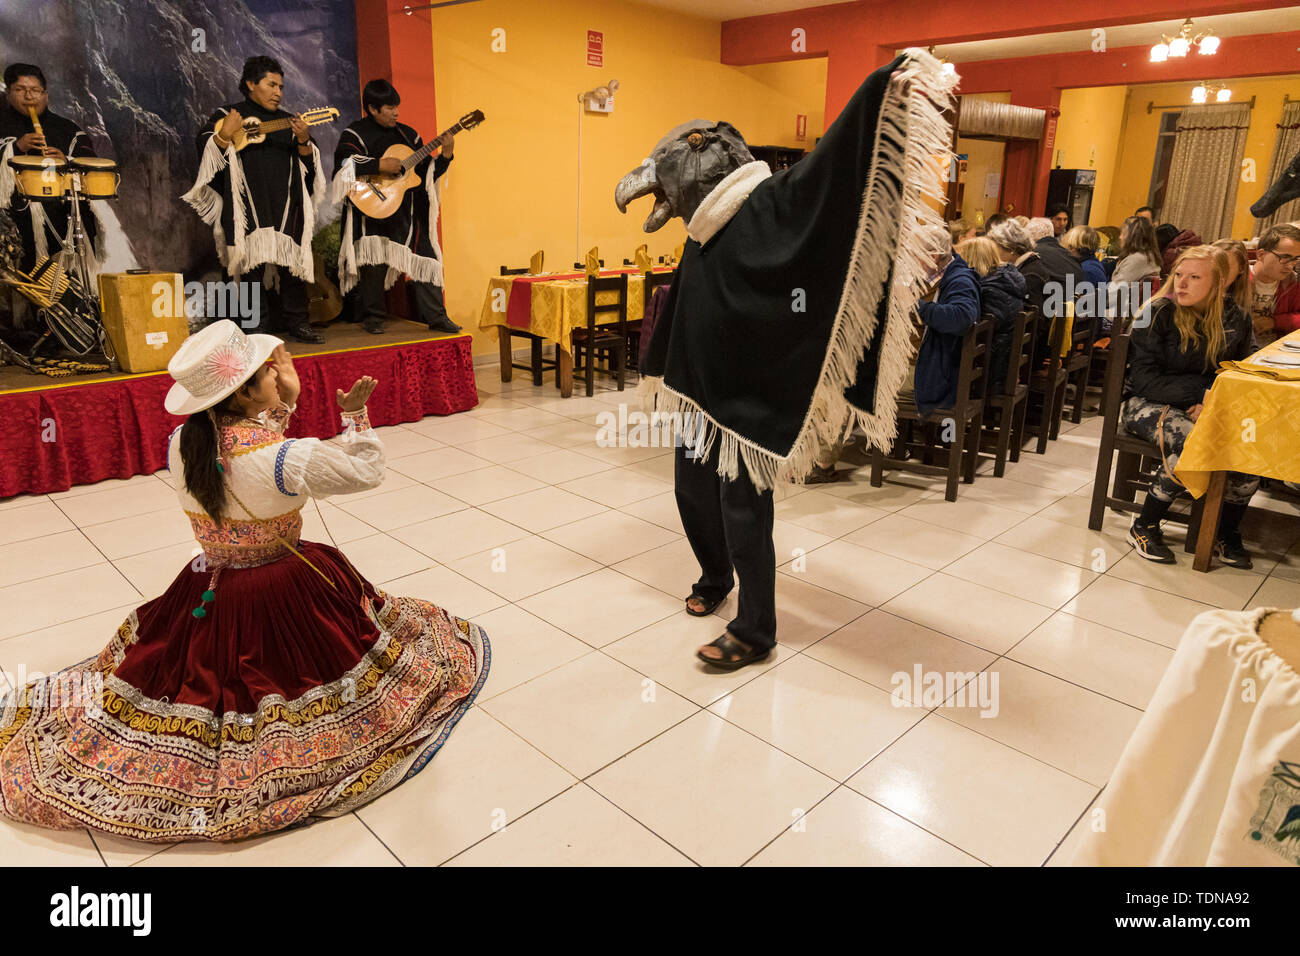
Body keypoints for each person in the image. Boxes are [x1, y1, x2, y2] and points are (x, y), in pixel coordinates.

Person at [0, 319, 489, 842]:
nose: (277, 378)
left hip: (210, 582)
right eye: (267, 374)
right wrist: (355, 416)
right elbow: (365, 471)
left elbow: (250, 447)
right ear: (247, 389)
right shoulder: (285, 457)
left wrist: (284, 400)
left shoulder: (182, 444)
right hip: (282, 590)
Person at [1123, 246, 1257, 568]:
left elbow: (1240, 368)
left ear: (1219, 282)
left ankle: (1224, 530)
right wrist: (1201, 394)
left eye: (1194, 277)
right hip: (1146, 403)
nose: (1181, 284)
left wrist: (1211, 399)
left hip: (1207, 404)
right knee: (1196, 441)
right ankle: (1145, 523)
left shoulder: (1236, 317)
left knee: (1249, 444)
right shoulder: (1156, 312)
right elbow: (1143, 379)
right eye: (1179, 275)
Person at [183, 56, 326, 344]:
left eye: (281, 86)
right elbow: (206, 149)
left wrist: (303, 140)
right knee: (248, 269)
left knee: (292, 267)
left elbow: (309, 168)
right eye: (271, 84)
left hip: (284, 205)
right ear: (250, 84)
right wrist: (224, 134)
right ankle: (254, 327)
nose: (278, 92)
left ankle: (298, 323)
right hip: (247, 207)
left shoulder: (289, 122)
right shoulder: (229, 114)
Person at [330, 79, 461, 335]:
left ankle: (437, 317)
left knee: (426, 258)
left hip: (407, 212)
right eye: (389, 107)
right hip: (374, 209)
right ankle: (373, 317)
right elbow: (343, 165)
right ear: (373, 108)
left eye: (396, 107)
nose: (396, 112)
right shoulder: (355, 134)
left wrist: (445, 155)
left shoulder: (408, 135)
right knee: (374, 262)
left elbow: (425, 174)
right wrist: (377, 165)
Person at [0, 63, 134, 278]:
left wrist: (67, 160)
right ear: (8, 94)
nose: (28, 96)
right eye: (20, 90)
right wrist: (14, 148)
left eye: (35, 90)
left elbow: (92, 166)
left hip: (65, 221)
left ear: (45, 95)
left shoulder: (68, 130)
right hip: (17, 223)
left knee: (70, 280)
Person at [911, 234, 980, 415]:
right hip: (929, 366)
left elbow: (962, 318)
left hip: (932, 377)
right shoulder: (938, 276)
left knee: (854, 380)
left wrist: (913, 306)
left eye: (914, 255)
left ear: (933, 256)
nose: (911, 261)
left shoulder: (960, 280)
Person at [957, 235, 1024, 390]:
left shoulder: (987, 289)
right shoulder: (1006, 281)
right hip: (1003, 365)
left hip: (988, 372)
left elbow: (973, 331)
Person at [1106, 216, 1163, 331]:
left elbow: (1113, 295)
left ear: (1132, 237)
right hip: (1131, 314)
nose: (1120, 237)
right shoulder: (1150, 257)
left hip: (1119, 317)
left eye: (1123, 233)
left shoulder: (1136, 260)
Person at [1247, 223, 1300, 346]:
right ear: (1261, 255)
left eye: (1296, 259)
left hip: (1277, 351)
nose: (1290, 266)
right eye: (1285, 257)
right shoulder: (1238, 279)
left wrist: (1274, 322)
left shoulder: (1294, 282)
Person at [987, 218, 1049, 316]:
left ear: (1012, 249)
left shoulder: (1030, 274)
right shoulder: (1029, 265)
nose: (991, 253)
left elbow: (1030, 319)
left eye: (994, 248)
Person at [1211, 238, 1254, 347]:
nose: (1218, 272)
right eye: (1213, 265)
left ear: (1241, 269)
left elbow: (1248, 348)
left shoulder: (1239, 311)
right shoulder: (1192, 301)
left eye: (1225, 267)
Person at [1060, 224, 1106, 322]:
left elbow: (1071, 305)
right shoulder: (1094, 264)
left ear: (1074, 247)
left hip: (1080, 327)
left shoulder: (1085, 271)